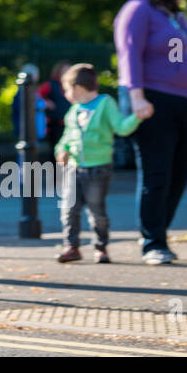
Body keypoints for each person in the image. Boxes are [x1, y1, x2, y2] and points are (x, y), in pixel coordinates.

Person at [113, 0, 187, 264]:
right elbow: (129, 52)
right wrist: (136, 97)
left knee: (181, 171)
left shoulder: (176, 17)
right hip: (155, 101)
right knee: (157, 173)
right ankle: (153, 242)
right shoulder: (138, 9)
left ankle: (157, 231)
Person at [54, 63, 146, 263]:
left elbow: (121, 128)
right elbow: (67, 137)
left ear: (78, 88)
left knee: (96, 210)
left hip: (99, 168)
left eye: (67, 89)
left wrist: (136, 118)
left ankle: (100, 247)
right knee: (69, 208)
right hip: (74, 168)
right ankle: (71, 246)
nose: (66, 94)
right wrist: (62, 150)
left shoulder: (105, 103)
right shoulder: (74, 111)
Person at [39, 60, 72, 156]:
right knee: (56, 150)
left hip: (69, 122)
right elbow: (36, 96)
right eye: (65, 71)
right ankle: (54, 170)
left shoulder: (72, 85)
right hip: (55, 124)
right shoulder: (50, 84)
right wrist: (47, 102)